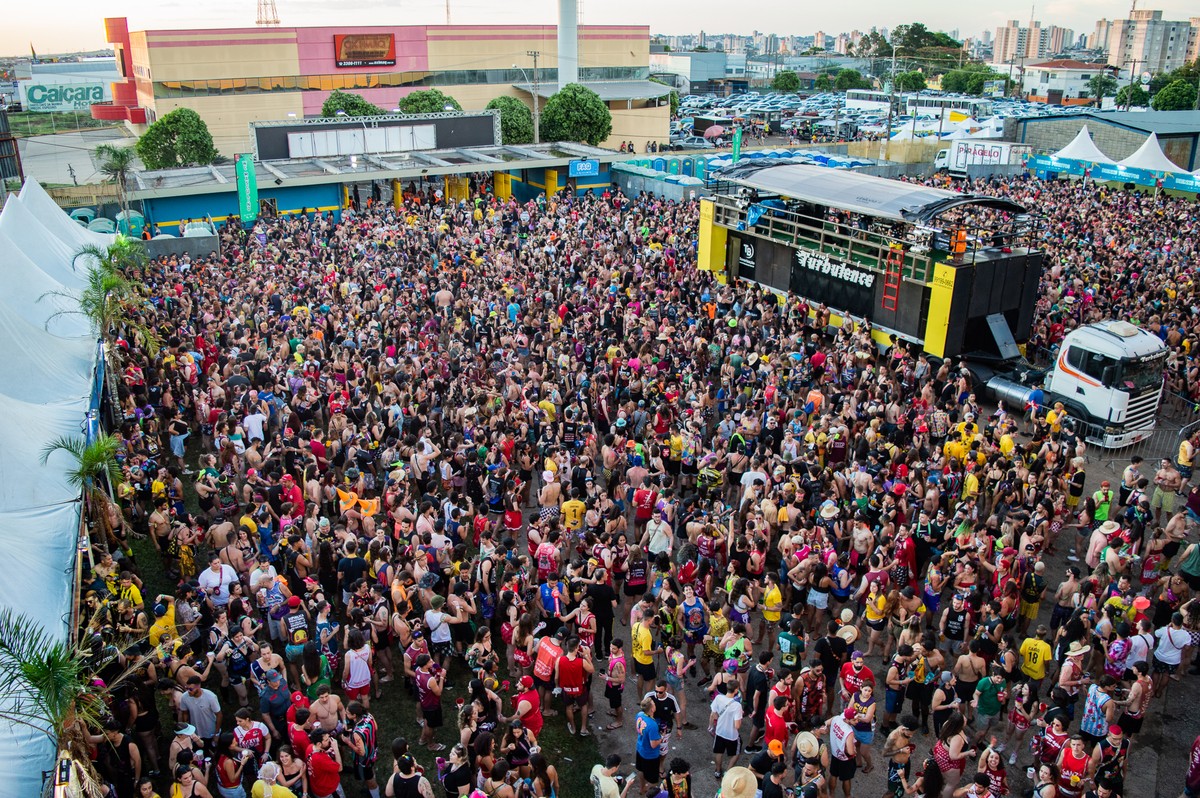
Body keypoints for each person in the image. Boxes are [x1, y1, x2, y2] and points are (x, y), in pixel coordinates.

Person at [710, 679, 744, 778]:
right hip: (732, 735)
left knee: (719, 752)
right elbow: (737, 726)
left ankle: (717, 770)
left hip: (720, 731)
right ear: (736, 690)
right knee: (736, 753)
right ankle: (728, 771)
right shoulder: (737, 706)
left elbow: (714, 714)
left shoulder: (718, 698)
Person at [634, 696, 664, 796]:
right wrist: (661, 737)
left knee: (641, 770)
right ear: (652, 709)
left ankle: (642, 788)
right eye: (654, 704)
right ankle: (651, 794)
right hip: (650, 755)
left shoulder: (639, 715)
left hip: (640, 748)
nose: (655, 704)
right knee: (653, 779)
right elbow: (653, 744)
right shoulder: (652, 725)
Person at [828, 705, 859, 798]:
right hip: (845, 759)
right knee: (846, 779)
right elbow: (850, 752)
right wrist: (854, 751)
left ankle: (831, 794)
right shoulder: (849, 732)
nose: (857, 721)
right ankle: (847, 795)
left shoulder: (837, 718)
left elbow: (827, 722)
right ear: (847, 720)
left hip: (835, 753)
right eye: (854, 720)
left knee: (833, 775)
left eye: (857, 719)